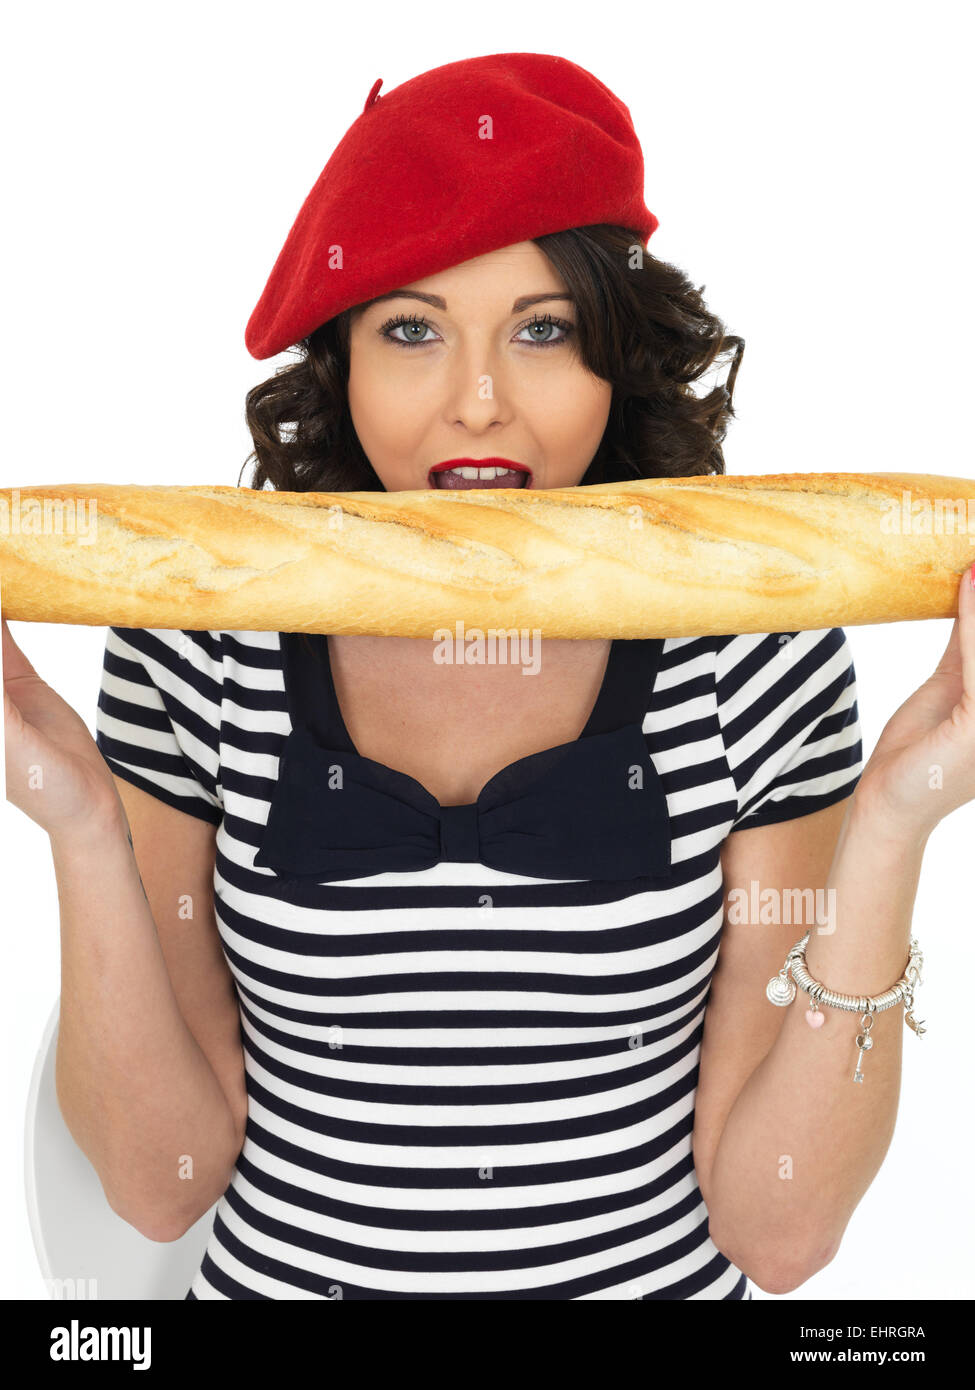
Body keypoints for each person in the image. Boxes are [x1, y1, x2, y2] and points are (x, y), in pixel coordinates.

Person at [5, 53, 974, 1302]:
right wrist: (76, 818)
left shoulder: (753, 646)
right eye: (412, 329)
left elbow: (779, 1233)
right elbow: (159, 1181)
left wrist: (898, 815)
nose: (478, 403)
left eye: (542, 330)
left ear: (613, 356)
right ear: (340, 360)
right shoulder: (199, 641)